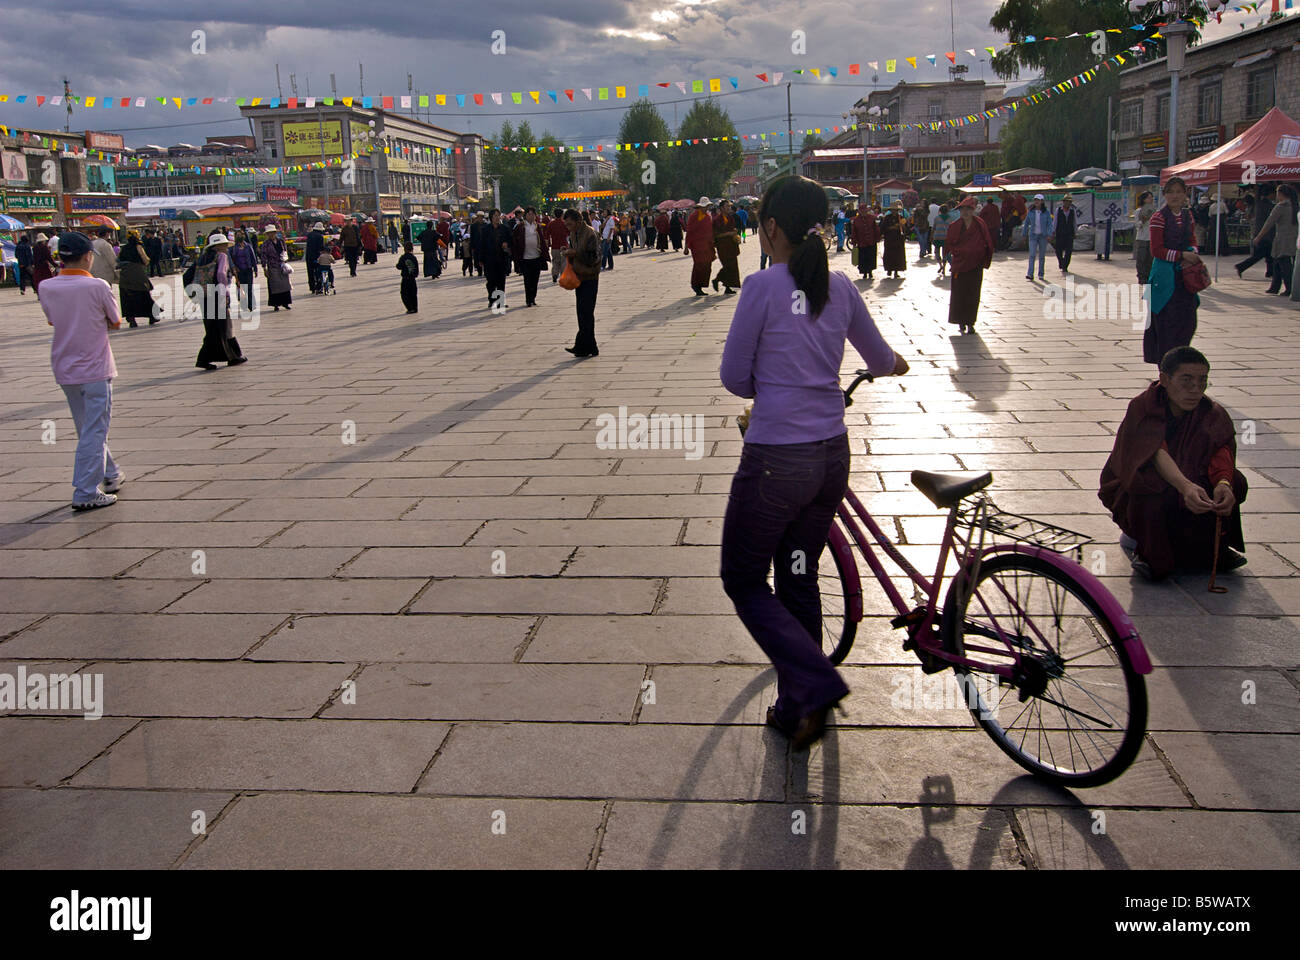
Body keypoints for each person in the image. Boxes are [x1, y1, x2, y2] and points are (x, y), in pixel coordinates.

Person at [718, 175, 908, 751]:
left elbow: (733, 378)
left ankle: (816, 681)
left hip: (777, 460)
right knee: (798, 572)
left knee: (744, 579)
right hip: (831, 456)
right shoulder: (843, 287)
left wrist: (769, 389)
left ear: (771, 227)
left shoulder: (761, 287)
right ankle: (799, 708)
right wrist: (897, 364)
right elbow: (878, 359)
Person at [1099, 346, 1247, 581]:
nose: (1195, 390)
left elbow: (1222, 451)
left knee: (1236, 480)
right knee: (1150, 483)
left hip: (1191, 481)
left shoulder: (1211, 412)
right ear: (1165, 379)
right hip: (1150, 484)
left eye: (1202, 381)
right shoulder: (1143, 407)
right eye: (1186, 381)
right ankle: (1149, 552)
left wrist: (1224, 484)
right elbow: (1155, 452)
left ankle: (1213, 548)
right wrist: (1185, 486)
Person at [38, 231, 125, 511]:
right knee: (95, 429)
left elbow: (53, 320)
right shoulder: (98, 286)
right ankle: (86, 490)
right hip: (96, 368)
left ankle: (110, 473)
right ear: (88, 256)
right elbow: (115, 322)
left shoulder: (46, 287)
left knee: (86, 426)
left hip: (64, 367)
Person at [1145, 176, 1201, 365]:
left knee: (1187, 324)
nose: (1175, 196)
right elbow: (1156, 250)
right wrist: (1181, 256)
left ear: (1185, 194)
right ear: (1165, 195)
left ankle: (1182, 365)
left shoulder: (1187, 216)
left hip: (1185, 278)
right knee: (1166, 327)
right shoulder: (1158, 218)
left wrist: (1192, 253)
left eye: (1179, 191)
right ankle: (1166, 368)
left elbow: (1192, 239)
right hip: (1165, 278)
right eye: (1171, 192)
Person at [194, 234, 246, 370]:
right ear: (218, 246)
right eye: (224, 245)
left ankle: (233, 355)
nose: (226, 248)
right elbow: (221, 274)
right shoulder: (221, 256)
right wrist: (225, 294)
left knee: (213, 327)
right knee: (223, 326)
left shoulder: (203, 257)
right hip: (217, 295)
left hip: (204, 295)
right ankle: (209, 358)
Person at [946, 196, 994, 335]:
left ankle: (970, 322)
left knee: (973, 294)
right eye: (963, 209)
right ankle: (961, 321)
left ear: (973, 210)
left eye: (968, 209)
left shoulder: (980, 224)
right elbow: (950, 243)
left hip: (975, 265)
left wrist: (982, 256)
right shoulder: (955, 226)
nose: (965, 212)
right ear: (959, 211)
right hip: (960, 265)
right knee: (959, 294)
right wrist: (956, 253)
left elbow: (988, 243)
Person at [561, 208, 601, 357]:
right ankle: (587, 346)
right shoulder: (574, 233)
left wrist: (576, 253)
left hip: (590, 277)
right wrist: (569, 251)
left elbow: (594, 258)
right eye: (567, 225)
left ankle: (586, 346)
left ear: (578, 222)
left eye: (570, 224)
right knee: (582, 313)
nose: (568, 228)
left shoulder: (590, 233)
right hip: (579, 277)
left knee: (586, 312)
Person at [1255, 183, 1296, 297]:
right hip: (1293, 237)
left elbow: (1269, 223)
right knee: (1277, 263)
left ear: (1281, 194)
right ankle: (1274, 287)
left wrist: (1259, 236)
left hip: (1283, 238)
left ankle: (1289, 288)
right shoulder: (1295, 205)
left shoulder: (1281, 207)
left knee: (1284, 262)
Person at [1234, 185, 1274, 280]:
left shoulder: (1260, 204)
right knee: (1260, 255)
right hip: (1265, 234)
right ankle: (1241, 266)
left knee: (1268, 255)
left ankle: (1270, 272)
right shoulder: (1266, 205)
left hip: (1261, 233)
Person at [511, 207, 548, 307]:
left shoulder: (537, 227)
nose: (531, 216)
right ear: (525, 215)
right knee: (527, 280)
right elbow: (515, 242)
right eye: (529, 214)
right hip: (525, 258)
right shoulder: (520, 227)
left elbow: (542, 241)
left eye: (533, 214)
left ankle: (533, 298)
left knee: (535, 279)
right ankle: (528, 299)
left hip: (536, 257)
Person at [477, 208, 512, 310]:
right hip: (489, 260)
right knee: (491, 282)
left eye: (498, 215)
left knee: (501, 281)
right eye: (495, 216)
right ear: (491, 217)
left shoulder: (504, 229)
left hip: (501, 259)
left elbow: (510, 240)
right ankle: (492, 300)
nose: (497, 218)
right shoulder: (485, 230)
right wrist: (480, 259)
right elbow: (481, 245)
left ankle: (500, 302)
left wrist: (507, 244)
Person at [116, 233, 154, 327]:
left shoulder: (123, 248)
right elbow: (145, 259)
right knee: (144, 295)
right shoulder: (138, 246)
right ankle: (152, 316)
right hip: (137, 273)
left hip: (125, 275)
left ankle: (132, 320)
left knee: (127, 297)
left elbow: (118, 259)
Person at [685, 198, 716, 296]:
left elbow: (710, 231)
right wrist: (686, 246)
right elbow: (689, 231)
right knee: (699, 265)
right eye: (704, 206)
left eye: (707, 206)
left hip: (707, 245)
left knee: (707, 266)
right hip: (697, 245)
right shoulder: (694, 216)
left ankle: (702, 285)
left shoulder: (707, 216)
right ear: (700, 206)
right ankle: (696, 285)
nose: (706, 208)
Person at [711, 199, 742, 295]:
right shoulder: (717, 220)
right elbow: (715, 235)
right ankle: (717, 279)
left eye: (729, 206)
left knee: (732, 267)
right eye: (726, 206)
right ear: (721, 208)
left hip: (731, 245)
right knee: (727, 266)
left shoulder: (730, 218)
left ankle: (727, 287)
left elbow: (732, 229)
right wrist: (728, 233)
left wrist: (734, 233)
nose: (729, 208)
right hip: (722, 246)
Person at [259, 224, 292, 312]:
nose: (271, 235)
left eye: (272, 233)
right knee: (274, 286)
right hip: (272, 266)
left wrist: (285, 261)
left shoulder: (281, 241)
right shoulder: (266, 244)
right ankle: (276, 304)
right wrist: (264, 268)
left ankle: (286, 303)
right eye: (269, 233)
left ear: (275, 233)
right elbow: (263, 256)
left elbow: (285, 251)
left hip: (281, 265)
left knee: (285, 285)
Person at [230, 232, 259, 315]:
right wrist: (234, 269)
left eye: (240, 235)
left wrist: (255, 269)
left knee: (249, 288)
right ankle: (244, 306)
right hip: (240, 271)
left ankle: (251, 305)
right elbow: (231, 259)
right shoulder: (233, 248)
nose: (239, 236)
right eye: (237, 235)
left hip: (249, 269)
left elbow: (253, 257)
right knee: (243, 288)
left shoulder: (248, 246)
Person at [849, 203, 879, 279]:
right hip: (861, 242)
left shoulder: (871, 218)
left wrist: (877, 237)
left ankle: (870, 272)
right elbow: (854, 232)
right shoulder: (856, 220)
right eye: (862, 211)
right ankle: (865, 273)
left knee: (871, 257)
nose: (863, 212)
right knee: (863, 258)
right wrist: (854, 241)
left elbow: (875, 229)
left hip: (871, 241)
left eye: (864, 210)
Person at [1025, 194, 1051, 281]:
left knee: (1042, 256)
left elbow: (1049, 224)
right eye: (1035, 200)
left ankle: (1041, 274)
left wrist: (1049, 234)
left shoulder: (1046, 212)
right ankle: (1030, 274)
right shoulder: (1031, 212)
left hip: (1043, 236)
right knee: (1032, 255)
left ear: (1042, 202)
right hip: (1033, 236)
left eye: (1038, 200)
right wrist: (1024, 233)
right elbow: (1026, 223)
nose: (1037, 201)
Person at [1133, 191, 1156, 286]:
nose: (1150, 199)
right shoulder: (1138, 211)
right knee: (1141, 259)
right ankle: (1141, 278)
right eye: (1148, 197)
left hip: (1152, 238)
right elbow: (1137, 226)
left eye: (1151, 197)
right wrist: (1143, 220)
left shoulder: (1155, 211)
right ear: (1144, 199)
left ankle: (1149, 277)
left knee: (1150, 260)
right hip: (1142, 238)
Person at [1053, 194, 1077, 274]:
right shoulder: (1058, 210)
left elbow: (1074, 222)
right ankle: (1061, 262)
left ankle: (1065, 266)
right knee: (1058, 250)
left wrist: (1075, 232)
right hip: (1060, 233)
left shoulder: (1072, 211)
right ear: (1063, 202)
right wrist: (1053, 231)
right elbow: (1055, 222)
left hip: (1069, 233)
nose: (1067, 203)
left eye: (1069, 202)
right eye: (1066, 202)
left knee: (1068, 251)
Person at [881, 202, 906, 279]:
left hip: (898, 239)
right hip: (889, 239)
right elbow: (883, 227)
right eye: (893, 210)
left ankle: (896, 271)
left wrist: (901, 226)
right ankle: (889, 269)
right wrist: (891, 228)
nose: (894, 212)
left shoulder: (901, 218)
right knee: (889, 255)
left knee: (898, 255)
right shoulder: (887, 218)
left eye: (895, 210)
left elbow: (905, 229)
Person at [546, 207, 570, 283]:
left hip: (554, 246)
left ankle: (555, 274)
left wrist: (547, 245)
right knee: (564, 262)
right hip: (564, 246)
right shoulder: (564, 223)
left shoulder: (551, 223)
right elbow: (569, 233)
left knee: (555, 262)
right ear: (562, 214)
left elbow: (547, 235)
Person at [396, 240, 419, 314]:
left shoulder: (403, 257)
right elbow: (416, 269)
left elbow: (399, 266)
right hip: (412, 279)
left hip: (405, 279)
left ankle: (409, 308)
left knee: (404, 294)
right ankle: (415, 308)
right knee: (413, 294)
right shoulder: (414, 258)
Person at [931, 203, 952, 278]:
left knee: (937, 252)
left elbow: (933, 228)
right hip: (946, 238)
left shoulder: (937, 218)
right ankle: (944, 267)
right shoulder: (950, 218)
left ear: (940, 210)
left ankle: (940, 265)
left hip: (937, 237)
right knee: (945, 254)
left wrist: (931, 236)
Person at [305, 224, 326, 293]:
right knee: (318, 272)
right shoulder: (320, 236)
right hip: (317, 257)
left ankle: (312, 287)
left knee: (310, 272)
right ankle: (319, 287)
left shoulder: (309, 235)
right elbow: (321, 248)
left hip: (309, 256)